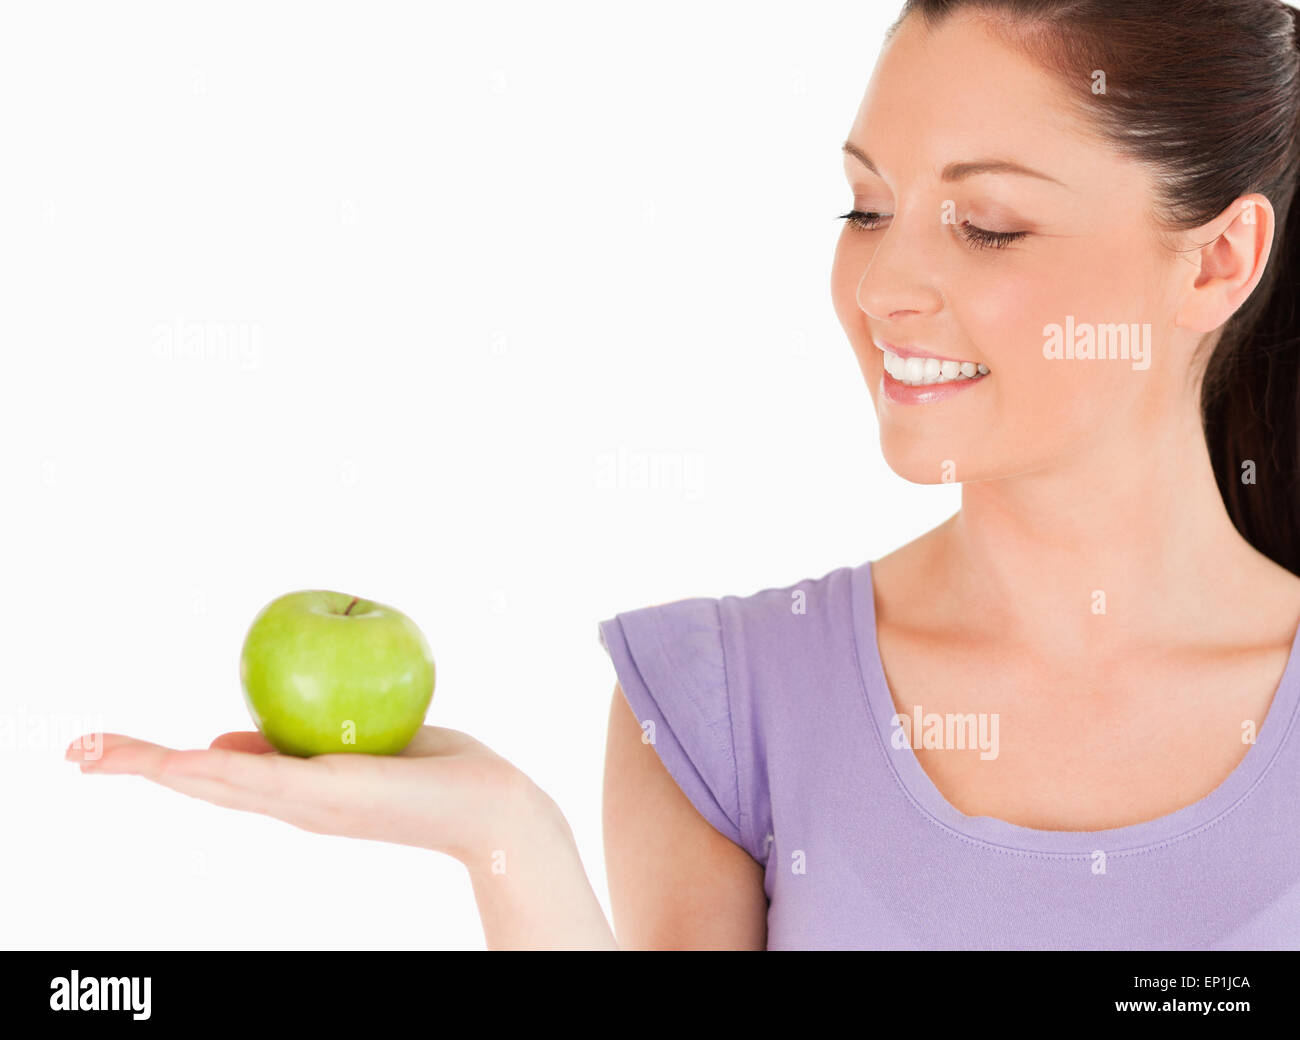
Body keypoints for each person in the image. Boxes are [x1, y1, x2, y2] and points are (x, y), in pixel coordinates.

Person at [68, 0, 1300, 949]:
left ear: (1215, 260)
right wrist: (507, 839)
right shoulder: (720, 709)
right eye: (865, 208)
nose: (882, 289)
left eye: (986, 225)